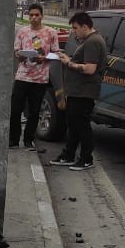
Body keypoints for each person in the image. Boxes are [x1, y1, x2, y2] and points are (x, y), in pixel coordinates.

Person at [50, 12, 106, 170]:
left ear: (85, 26)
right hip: (76, 91)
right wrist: (67, 57)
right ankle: (68, 155)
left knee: (81, 125)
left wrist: (68, 63)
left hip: (84, 91)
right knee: (73, 124)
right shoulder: (88, 41)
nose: (73, 31)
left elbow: (89, 69)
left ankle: (86, 158)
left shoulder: (93, 42)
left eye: (75, 28)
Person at [10, 3, 59, 149]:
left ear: (42, 16)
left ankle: (28, 139)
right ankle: (13, 139)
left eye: (37, 15)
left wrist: (45, 58)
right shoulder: (22, 32)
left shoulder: (51, 33)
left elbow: (57, 53)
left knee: (34, 110)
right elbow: (17, 51)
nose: (34, 18)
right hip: (22, 76)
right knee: (15, 109)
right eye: (31, 15)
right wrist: (21, 55)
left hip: (40, 78)